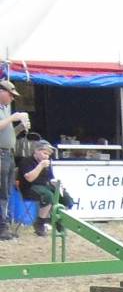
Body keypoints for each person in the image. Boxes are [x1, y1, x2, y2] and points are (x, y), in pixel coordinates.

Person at [0, 79, 32, 241]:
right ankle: (2, 227)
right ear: (2, 92)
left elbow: (8, 133)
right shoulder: (6, 112)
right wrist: (13, 118)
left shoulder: (5, 109)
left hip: (8, 154)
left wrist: (20, 127)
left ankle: (4, 225)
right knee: (2, 192)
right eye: (11, 95)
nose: (12, 98)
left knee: (6, 191)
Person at [17, 140, 72, 235]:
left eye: (48, 154)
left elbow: (51, 178)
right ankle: (40, 222)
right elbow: (29, 178)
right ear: (36, 151)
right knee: (48, 196)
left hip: (45, 186)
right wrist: (40, 165)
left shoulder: (47, 162)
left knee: (66, 197)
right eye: (44, 153)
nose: (46, 156)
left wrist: (57, 185)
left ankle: (59, 220)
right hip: (30, 187)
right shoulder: (26, 161)